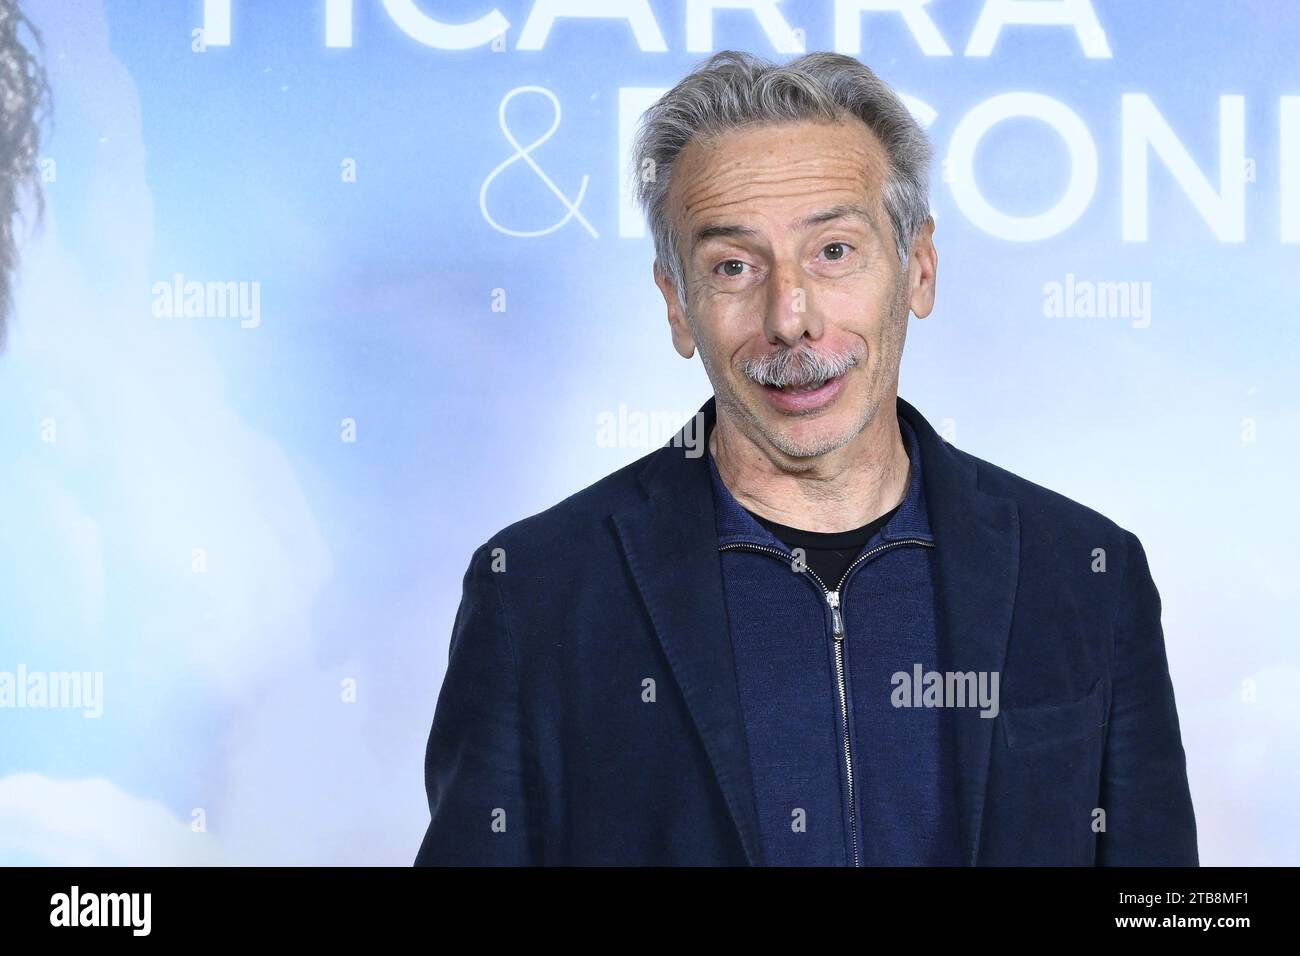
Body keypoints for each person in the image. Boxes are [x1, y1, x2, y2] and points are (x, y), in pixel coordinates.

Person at [415, 50, 1197, 866]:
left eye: (833, 252)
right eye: (733, 267)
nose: (791, 318)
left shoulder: (1086, 573)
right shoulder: (534, 592)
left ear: (919, 269)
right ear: (678, 306)